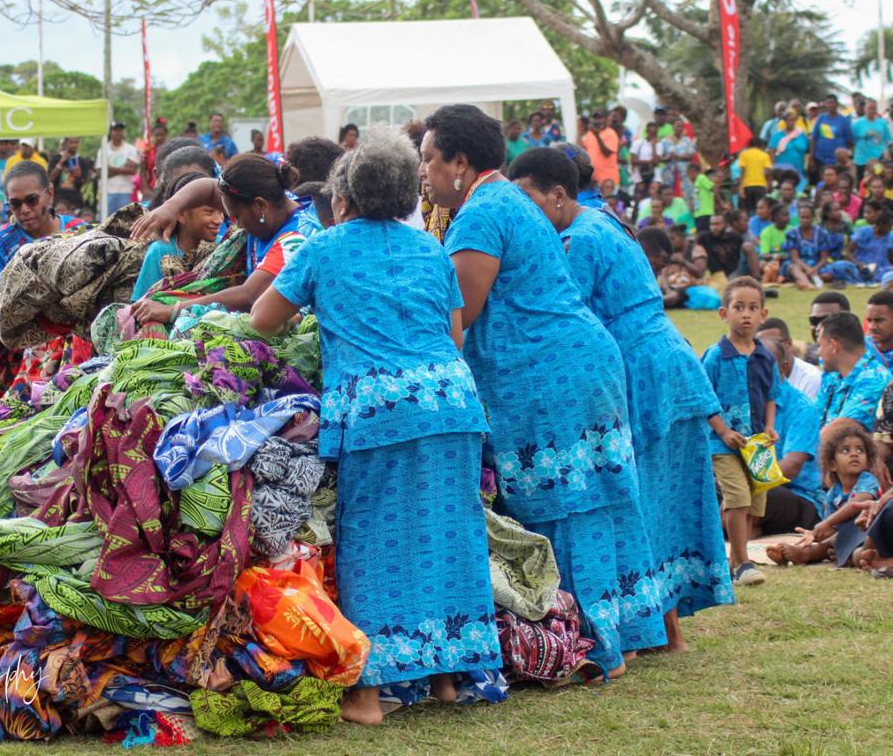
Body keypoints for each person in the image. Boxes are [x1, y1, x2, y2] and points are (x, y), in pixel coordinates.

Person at [250, 125, 500, 723]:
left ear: (345, 196)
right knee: (450, 531)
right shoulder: (430, 250)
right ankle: (448, 676)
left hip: (377, 410)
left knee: (374, 539)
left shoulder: (323, 249)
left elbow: (262, 318)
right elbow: (455, 336)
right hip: (450, 400)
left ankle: (367, 694)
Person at [424, 104, 665, 677]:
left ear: (460, 163)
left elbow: (461, 315)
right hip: (579, 361)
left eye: (429, 160)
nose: (424, 173)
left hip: (548, 373)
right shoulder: (506, 199)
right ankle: (624, 634)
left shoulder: (482, 213)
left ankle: (589, 646)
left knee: (564, 505)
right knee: (599, 498)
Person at [507, 146, 731, 651]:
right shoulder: (604, 220)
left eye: (530, 201)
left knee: (642, 497)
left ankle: (662, 629)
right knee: (664, 496)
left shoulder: (577, 241)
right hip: (669, 356)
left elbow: (560, 314)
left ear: (559, 195)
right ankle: (667, 630)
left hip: (638, 364)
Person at [130, 154, 322, 323]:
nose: (236, 226)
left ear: (260, 206)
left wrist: (172, 311)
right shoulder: (273, 199)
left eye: (237, 216)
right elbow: (209, 188)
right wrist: (171, 207)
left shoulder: (296, 240)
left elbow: (249, 295)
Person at [701, 276, 779, 587]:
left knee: (755, 503)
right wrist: (722, 431)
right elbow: (704, 398)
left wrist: (771, 427)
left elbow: (772, 395)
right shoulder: (716, 356)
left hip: (757, 445)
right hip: (723, 444)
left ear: (763, 314)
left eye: (752, 308)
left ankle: (733, 563)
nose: (745, 314)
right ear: (724, 313)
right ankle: (744, 562)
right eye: (738, 307)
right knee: (737, 496)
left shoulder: (765, 356)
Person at [767, 426, 879, 567]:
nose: (854, 454)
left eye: (860, 450)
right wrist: (816, 533)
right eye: (846, 450)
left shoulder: (867, 480)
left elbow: (858, 503)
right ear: (832, 465)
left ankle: (812, 555)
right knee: (830, 541)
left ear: (868, 462)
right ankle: (804, 553)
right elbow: (830, 527)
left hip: (869, 533)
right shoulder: (833, 493)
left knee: (837, 539)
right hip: (844, 536)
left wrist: (828, 523)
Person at [0, 161, 76, 307]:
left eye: (32, 200)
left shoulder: (79, 232)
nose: (24, 210)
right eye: (15, 203)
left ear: (49, 194)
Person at [754, 332, 824, 537]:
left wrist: (747, 486)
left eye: (765, 365)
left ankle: (742, 529)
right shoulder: (746, 405)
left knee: (757, 497)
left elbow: (791, 468)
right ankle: (745, 528)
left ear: (783, 368)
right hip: (754, 487)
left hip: (798, 496)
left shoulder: (802, 408)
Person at [130, 173, 222, 301]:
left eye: (221, 211)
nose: (218, 220)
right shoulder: (160, 251)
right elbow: (142, 302)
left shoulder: (224, 246)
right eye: (209, 212)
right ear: (181, 215)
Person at [816, 311, 892, 434]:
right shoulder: (832, 376)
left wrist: (800, 447)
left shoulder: (875, 378)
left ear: (833, 345)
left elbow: (840, 430)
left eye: (820, 345)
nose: (818, 353)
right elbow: (812, 417)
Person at [757, 318, 821, 400]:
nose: (767, 349)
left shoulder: (810, 379)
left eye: (774, 343)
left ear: (789, 344)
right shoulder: (756, 375)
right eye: (761, 345)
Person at [781, 203, 830, 289]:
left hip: (816, 263)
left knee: (828, 275)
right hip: (798, 263)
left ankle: (801, 280)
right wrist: (808, 269)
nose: (804, 220)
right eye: (802, 217)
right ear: (798, 218)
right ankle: (808, 284)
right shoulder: (792, 234)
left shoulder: (822, 233)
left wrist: (815, 268)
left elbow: (824, 258)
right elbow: (795, 258)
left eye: (807, 217)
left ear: (813, 218)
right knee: (794, 268)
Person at [95, 122, 139, 216]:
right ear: (111, 132)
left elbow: (133, 171)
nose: (118, 133)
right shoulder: (103, 149)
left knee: (124, 222)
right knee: (105, 222)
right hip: (107, 192)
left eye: (120, 130)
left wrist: (108, 167)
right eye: (115, 130)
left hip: (125, 191)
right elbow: (99, 173)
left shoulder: (130, 149)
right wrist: (123, 169)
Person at [809, 94, 854, 181]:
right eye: (828, 103)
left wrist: (844, 157)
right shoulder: (821, 119)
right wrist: (811, 158)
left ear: (836, 104)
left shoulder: (843, 121)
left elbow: (849, 142)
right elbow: (814, 138)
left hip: (837, 162)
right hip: (821, 159)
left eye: (832, 103)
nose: (830, 105)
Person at [847, 204, 893, 285]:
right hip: (860, 266)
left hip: (882, 268)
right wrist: (858, 264)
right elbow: (848, 252)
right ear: (880, 225)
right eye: (888, 226)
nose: (890, 229)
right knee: (841, 266)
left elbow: (891, 258)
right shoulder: (862, 232)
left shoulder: (890, 236)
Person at [47, 137, 91, 211]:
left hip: (76, 200)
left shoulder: (81, 161)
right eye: (71, 142)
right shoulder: (56, 158)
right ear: (65, 144)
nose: (74, 145)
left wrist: (78, 176)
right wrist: (61, 163)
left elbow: (84, 182)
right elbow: (50, 178)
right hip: (59, 199)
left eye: (76, 142)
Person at [768, 109, 810, 184]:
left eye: (793, 120)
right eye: (788, 120)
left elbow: (807, 152)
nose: (791, 122)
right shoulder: (777, 136)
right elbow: (772, 155)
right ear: (784, 121)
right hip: (781, 170)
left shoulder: (801, 135)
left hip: (798, 168)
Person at [581, 109, 619, 188]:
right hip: (594, 179)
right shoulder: (590, 133)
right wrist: (580, 129)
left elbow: (607, 153)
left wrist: (597, 135)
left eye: (600, 118)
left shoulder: (611, 133)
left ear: (606, 119)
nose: (598, 121)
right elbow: (581, 149)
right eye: (595, 118)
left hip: (608, 180)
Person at [699, 214, 744, 279]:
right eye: (712, 224)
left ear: (726, 225)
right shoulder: (704, 238)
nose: (714, 227)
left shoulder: (735, 237)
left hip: (733, 273)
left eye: (717, 224)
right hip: (714, 275)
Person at [737, 136, 773, 214]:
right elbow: (768, 171)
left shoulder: (744, 154)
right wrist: (768, 184)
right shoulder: (764, 155)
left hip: (747, 186)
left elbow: (742, 171)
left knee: (745, 210)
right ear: (760, 145)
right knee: (760, 209)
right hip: (760, 186)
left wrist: (740, 187)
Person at [758, 201, 791, 280]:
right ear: (775, 217)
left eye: (788, 215)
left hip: (788, 261)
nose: (788, 217)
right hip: (771, 261)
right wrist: (776, 256)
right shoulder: (766, 232)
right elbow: (764, 254)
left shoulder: (792, 230)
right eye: (784, 215)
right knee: (763, 264)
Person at [690, 162, 719, 233]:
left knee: (703, 234)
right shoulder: (697, 182)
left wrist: (721, 203)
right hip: (699, 214)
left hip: (705, 213)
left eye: (688, 174)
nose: (689, 177)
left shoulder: (701, 177)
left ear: (692, 172)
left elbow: (713, 188)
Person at [630, 122, 659, 187]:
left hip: (653, 178)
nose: (652, 134)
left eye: (654, 132)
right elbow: (632, 161)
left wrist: (653, 146)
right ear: (646, 131)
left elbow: (656, 162)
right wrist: (649, 162)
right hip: (638, 178)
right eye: (650, 132)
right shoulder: (637, 143)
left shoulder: (659, 145)